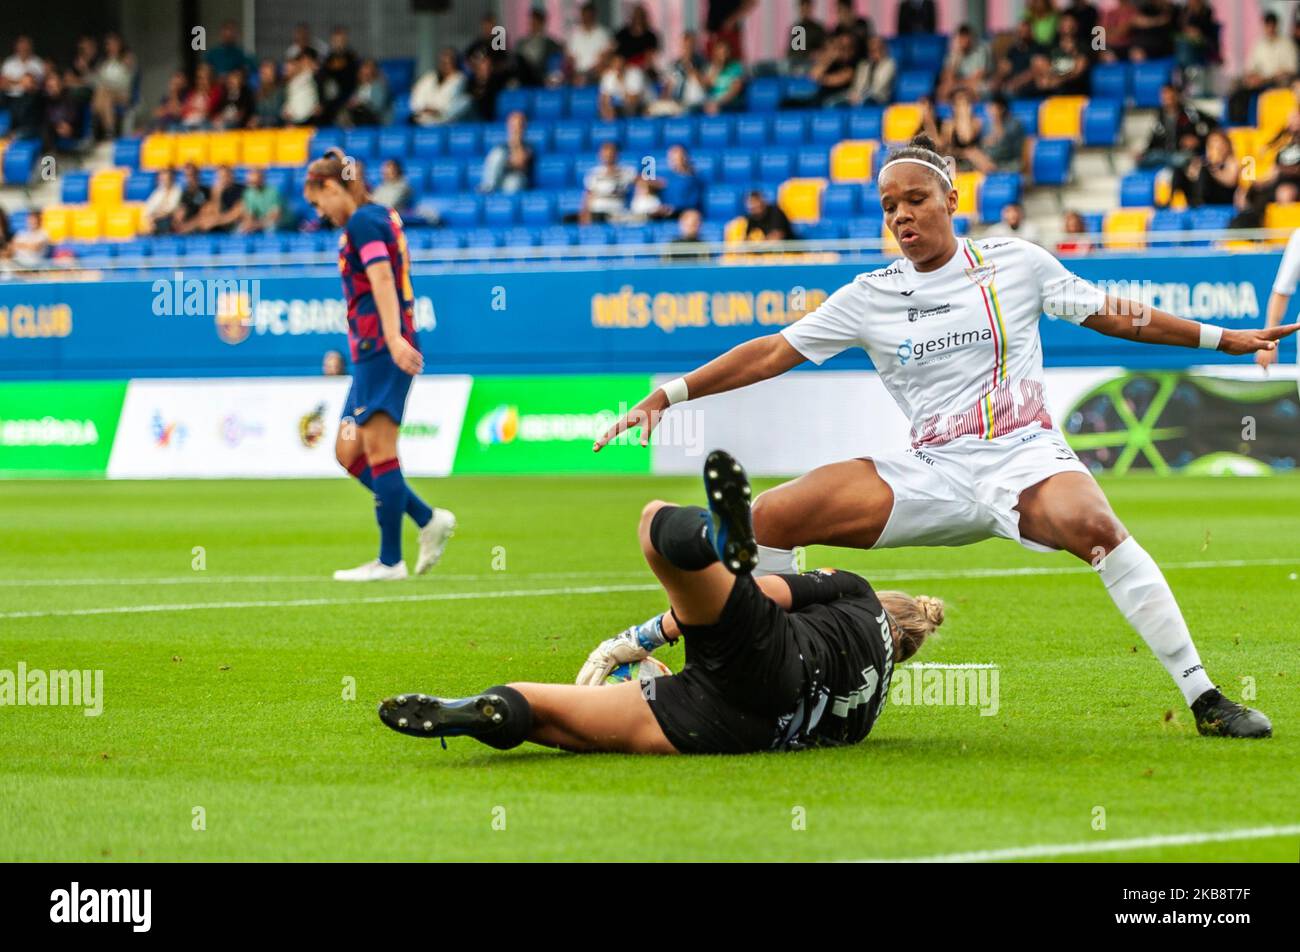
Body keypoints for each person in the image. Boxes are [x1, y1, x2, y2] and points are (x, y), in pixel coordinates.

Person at [593, 133, 1293, 739]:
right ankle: (771, 679)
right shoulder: (870, 295)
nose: (901, 215)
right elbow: (773, 351)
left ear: (952, 200)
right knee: (768, 518)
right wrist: (670, 392)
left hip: (1024, 457)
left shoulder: (1015, 262)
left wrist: (1224, 338)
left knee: (1096, 525)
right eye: (888, 206)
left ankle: (1204, 696)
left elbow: (1114, 314)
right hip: (929, 470)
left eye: (915, 199)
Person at [379, 450, 938, 755]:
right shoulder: (867, 716)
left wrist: (651, 634)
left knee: (654, 524)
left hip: (773, 656)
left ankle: (715, 538)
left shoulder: (860, 595)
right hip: (732, 727)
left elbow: (770, 591)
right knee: (563, 723)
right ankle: (496, 711)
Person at [301, 149, 456, 582]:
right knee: (347, 451)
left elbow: (383, 277)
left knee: (379, 450)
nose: (320, 213)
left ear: (332, 187)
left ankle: (391, 561)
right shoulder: (378, 216)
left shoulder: (363, 222)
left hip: (380, 347)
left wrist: (392, 339)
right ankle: (427, 518)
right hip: (368, 350)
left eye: (318, 202)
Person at [1228, 12, 1297, 125]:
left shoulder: (1287, 44)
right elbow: (1251, 67)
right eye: (1267, 26)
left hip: (1277, 81)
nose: (1269, 29)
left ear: (1276, 26)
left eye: (1271, 26)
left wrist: (1266, 79)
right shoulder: (1259, 44)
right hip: (1259, 80)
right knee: (1236, 85)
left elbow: (1291, 69)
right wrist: (1252, 76)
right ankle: (1236, 122)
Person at [575, 141, 635, 224]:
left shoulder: (627, 172)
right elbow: (588, 195)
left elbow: (647, 182)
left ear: (617, 154)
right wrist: (585, 213)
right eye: (605, 152)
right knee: (568, 219)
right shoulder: (594, 173)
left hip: (616, 211)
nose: (608, 155)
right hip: (596, 211)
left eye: (611, 152)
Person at [89, 32, 136, 139]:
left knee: (101, 95)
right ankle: (109, 130)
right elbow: (99, 78)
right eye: (108, 44)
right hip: (107, 92)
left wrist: (118, 58)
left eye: (112, 44)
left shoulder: (127, 57)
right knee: (104, 95)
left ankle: (94, 128)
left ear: (119, 44)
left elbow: (127, 73)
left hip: (123, 93)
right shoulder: (106, 62)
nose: (110, 46)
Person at [409, 48, 469, 126]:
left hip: (446, 123)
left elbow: (451, 107)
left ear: (455, 63)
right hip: (421, 120)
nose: (445, 66)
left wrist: (437, 111)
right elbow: (417, 98)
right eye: (442, 62)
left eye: (448, 62)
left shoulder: (460, 79)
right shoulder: (430, 77)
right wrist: (424, 109)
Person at [478, 110, 534, 194]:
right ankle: (488, 187)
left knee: (513, 183)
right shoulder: (500, 147)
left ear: (524, 126)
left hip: (516, 177)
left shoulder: (528, 146)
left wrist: (516, 141)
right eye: (513, 125)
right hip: (499, 178)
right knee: (498, 154)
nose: (515, 128)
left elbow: (519, 163)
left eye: (518, 125)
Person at [936, 25, 990, 102]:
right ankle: (950, 112)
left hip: (975, 83)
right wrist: (956, 59)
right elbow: (947, 76)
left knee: (976, 88)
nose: (964, 41)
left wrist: (960, 83)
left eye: (966, 38)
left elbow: (979, 76)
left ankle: (972, 111)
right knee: (942, 90)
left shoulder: (981, 51)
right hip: (958, 83)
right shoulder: (953, 54)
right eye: (961, 38)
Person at [319, 26, 359, 124]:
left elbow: (354, 80)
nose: (339, 43)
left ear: (345, 40)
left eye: (341, 40)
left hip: (347, 98)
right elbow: (323, 80)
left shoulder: (351, 57)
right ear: (332, 41)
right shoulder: (327, 59)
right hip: (331, 101)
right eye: (336, 40)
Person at [516, 7, 563, 87]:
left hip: (541, 77)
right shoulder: (521, 43)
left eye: (535, 22)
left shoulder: (551, 44)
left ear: (541, 23)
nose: (532, 25)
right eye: (530, 22)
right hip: (523, 77)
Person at [567, 3, 613, 85]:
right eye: (585, 15)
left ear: (594, 16)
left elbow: (607, 56)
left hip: (596, 72)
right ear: (581, 16)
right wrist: (574, 72)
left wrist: (595, 69)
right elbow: (570, 57)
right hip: (578, 71)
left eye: (590, 15)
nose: (587, 18)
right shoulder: (574, 34)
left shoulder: (603, 33)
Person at [850, 34, 896, 106]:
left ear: (884, 49)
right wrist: (854, 94)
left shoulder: (890, 64)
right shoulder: (863, 65)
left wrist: (861, 97)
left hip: (880, 98)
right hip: (859, 97)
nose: (874, 52)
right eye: (871, 50)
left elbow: (880, 87)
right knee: (836, 102)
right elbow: (857, 85)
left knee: (867, 101)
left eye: (877, 49)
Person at [701, 38, 745, 114]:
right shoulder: (712, 67)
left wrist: (719, 102)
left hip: (730, 102)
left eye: (725, 52)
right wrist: (717, 69)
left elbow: (735, 91)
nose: (722, 55)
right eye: (720, 52)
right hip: (713, 101)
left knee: (714, 108)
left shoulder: (735, 67)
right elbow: (706, 86)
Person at [238, 167, 288, 233]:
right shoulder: (248, 193)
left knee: (271, 228)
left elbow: (275, 216)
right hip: (260, 222)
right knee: (241, 228)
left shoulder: (273, 192)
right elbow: (249, 215)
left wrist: (257, 224)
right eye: (250, 182)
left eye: (254, 181)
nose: (252, 184)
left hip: (279, 221)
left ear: (261, 179)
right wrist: (250, 224)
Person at [281, 49, 321, 125]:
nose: (287, 69)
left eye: (292, 64)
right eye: (286, 67)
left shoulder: (309, 76)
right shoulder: (286, 85)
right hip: (292, 123)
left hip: (310, 121)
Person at [789, 0, 827, 73]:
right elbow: (792, 52)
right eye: (803, 7)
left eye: (807, 7)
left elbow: (825, 49)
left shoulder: (818, 29)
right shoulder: (797, 28)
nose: (805, 10)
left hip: (812, 65)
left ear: (811, 8)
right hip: (797, 64)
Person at [171, 163, 209, 234]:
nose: (190, 178)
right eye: (187, 176)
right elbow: (180, 212)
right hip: (186, 226)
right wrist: (177, 223)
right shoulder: (185, 193)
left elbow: (205, 213)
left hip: (199, 227)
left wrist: (188, 226)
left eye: (192, 175)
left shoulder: (204, 191)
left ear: (197, 175)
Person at [142, 167, 182, 234]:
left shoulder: (178, 190)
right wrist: (151, 219)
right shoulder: (158, 192)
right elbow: (148, 209)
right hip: (157, 221)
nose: (165, 180)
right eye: (163, 178)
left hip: (169, 221)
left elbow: (171, 209)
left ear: (172, 178)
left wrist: (155, 217)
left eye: (167, 178)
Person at [250, 60, 284, 128]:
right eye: (263, 73)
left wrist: (260, 120)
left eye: (267, 73)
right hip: (261, 131)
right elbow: (256, 113)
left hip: (278, 130)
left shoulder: (281, 91)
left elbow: (279, 115)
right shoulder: (257, 92)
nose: (264, 77)